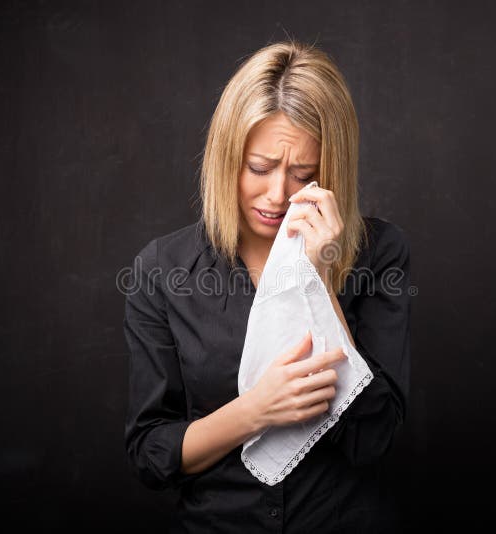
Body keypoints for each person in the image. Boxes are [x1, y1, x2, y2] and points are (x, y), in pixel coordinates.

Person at [123, 39, 411, 533]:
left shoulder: (379, 252)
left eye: (303, 175)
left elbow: (376, 438)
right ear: (225, 157)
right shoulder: (160, 269)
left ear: (331, 169)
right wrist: (254, 412)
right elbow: (152, 454)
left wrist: (319, 281)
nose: (277, 196)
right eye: (259, 168)